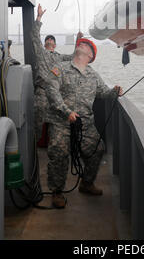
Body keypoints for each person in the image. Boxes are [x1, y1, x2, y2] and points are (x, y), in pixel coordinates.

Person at [44, 35, 123, 209]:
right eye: (83, 43)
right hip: (61, 121)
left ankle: (86, 183)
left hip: (85, 124)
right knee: (58, 152)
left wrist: (114, 91)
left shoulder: (93, 75)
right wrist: (66, 112)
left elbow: (103, 92)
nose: (83, 44)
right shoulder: (60, 68)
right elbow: (51, 91)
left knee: (98, 149)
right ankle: (57, 192)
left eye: (88, 45)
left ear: (91, 57)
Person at [31, 4, 82, 142]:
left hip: (56, 92)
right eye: (47, 39)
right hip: (42, 92)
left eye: (52, 39)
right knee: (38, 118)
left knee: (59, 120)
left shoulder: (59, 57)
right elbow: (34, 36)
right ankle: (35, 146)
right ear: (45, 43)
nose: (49, 40)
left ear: (55, 44)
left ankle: (56, 144)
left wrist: (78, 40)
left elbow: (73, 57)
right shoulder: (41, 52)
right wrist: (39, 17)